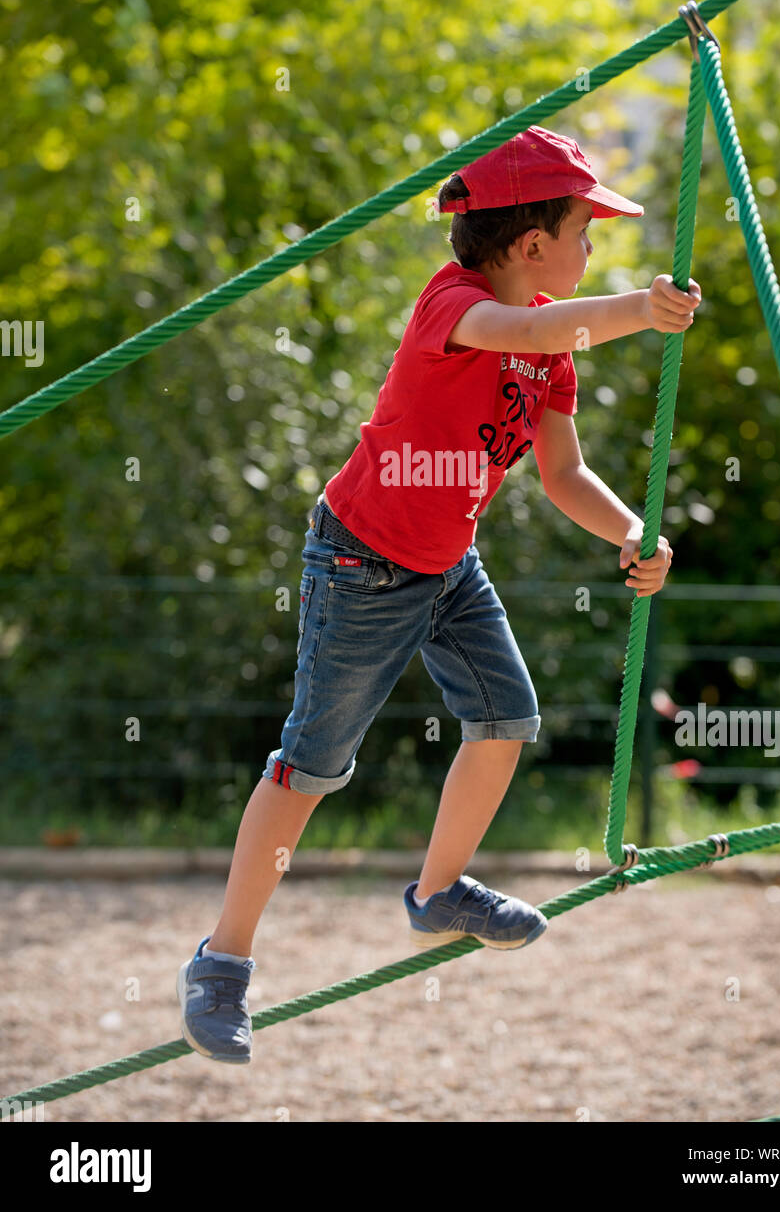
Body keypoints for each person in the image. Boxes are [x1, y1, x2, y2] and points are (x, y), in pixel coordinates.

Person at [177, 124, 702, 1063]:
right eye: (586, 229)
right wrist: (638, 308)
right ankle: (222, 962)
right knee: (310, 768)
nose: (593, 249)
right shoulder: (453, 305)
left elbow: (563, 472)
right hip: (361, 561)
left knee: (506, 719)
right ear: (532, 241)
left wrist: (630, 530)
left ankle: (438, 893)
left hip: (447, 563)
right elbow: (535, 328)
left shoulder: (553, 349)